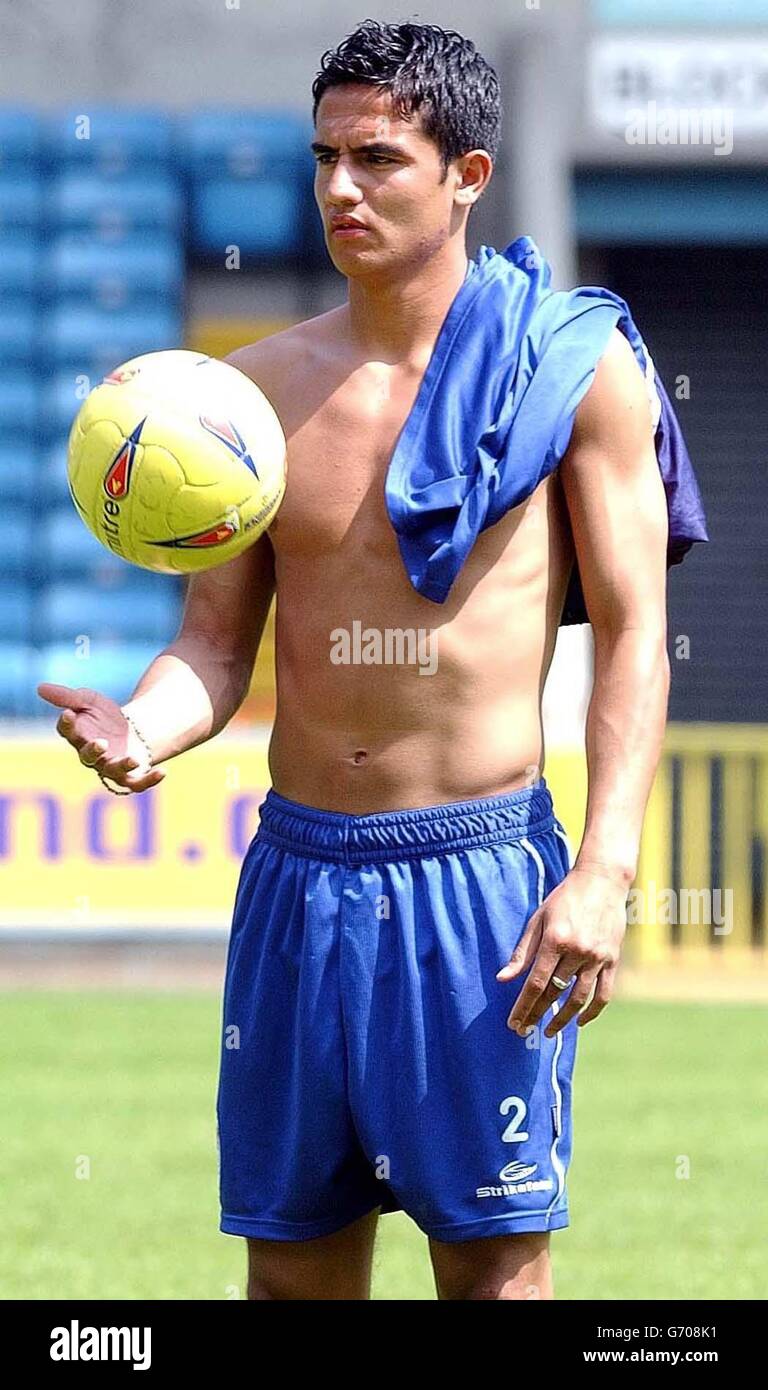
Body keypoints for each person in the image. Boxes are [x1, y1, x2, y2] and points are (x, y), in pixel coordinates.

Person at [39, 21, 690, 1300]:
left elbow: (633, 639)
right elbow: (215, 648)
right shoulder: (248, 399)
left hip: (482, 886)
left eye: (379, 158)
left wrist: (607, 871)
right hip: (298, 876)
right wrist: (144, 729)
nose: (341, 187)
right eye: (325, 157)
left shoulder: (578, 373)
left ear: (469, 174)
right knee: (289, 1278)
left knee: (496, 1274)